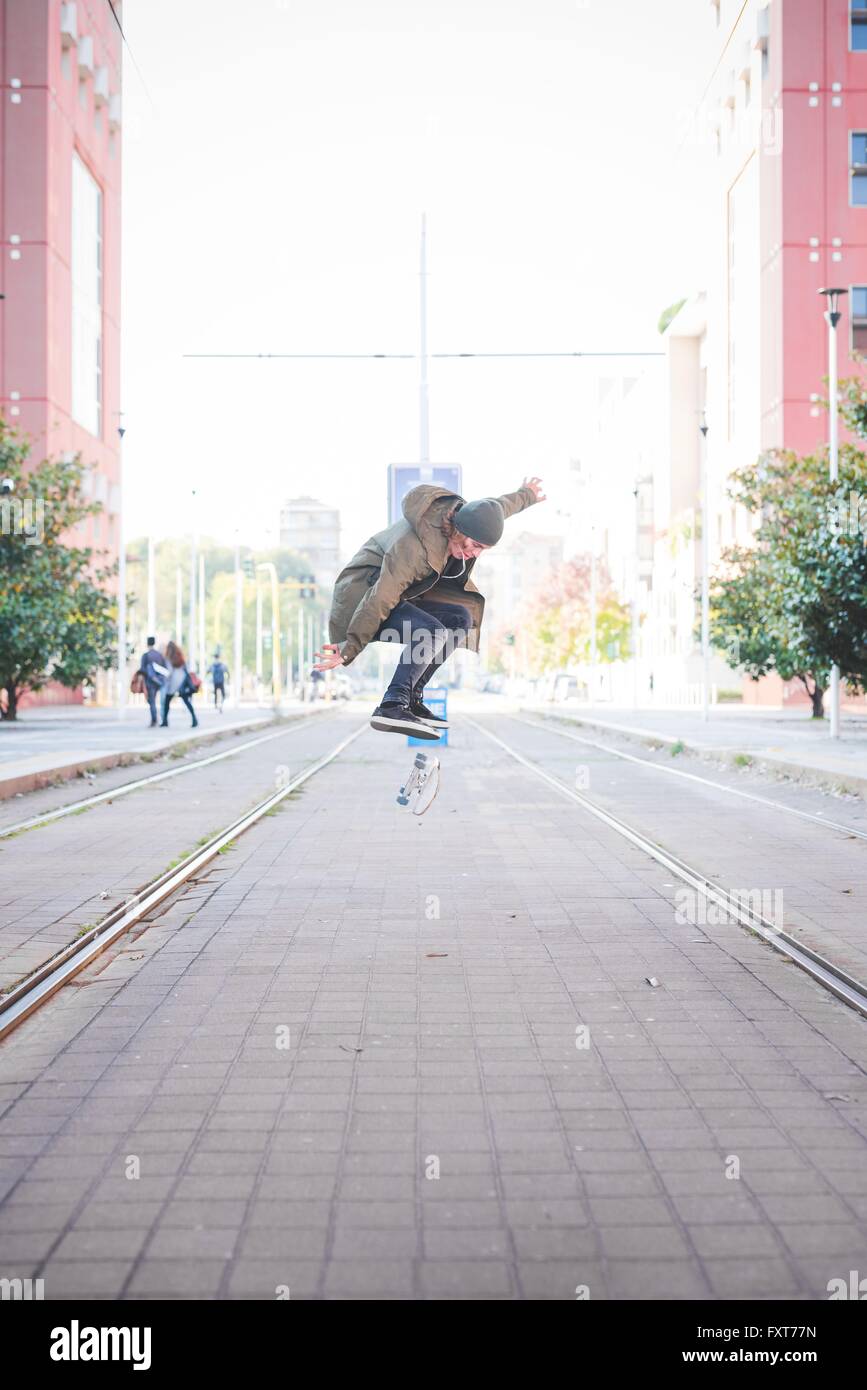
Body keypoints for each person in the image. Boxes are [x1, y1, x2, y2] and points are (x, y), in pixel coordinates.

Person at [314, 477, 545, 736]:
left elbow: (500, 507)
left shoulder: (470, 517)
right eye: (476, 546)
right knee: (432, 631)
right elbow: (380, 597)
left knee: (460, 619)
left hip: (399, 597)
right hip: (362, 596)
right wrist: (349, 647)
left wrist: (527, 494)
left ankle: (411, 698)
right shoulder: (414, 548)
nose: (475, 554)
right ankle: (392, 705)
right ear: (461, 530)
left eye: (484, 550)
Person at [160, 641, 198, 728]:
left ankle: (165, 721)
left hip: (174, 681)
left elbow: (169, 671)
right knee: (186, 701)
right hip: (182, 681)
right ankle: (194, 719)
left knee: (167, 701)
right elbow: (186, 669)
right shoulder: (180, 656)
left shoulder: (168, 658)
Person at [138, 636, 169, 728]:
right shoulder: (160, 655)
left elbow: (142, 669)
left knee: (152, 701)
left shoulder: (145, 655)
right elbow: (165, 668)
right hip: (160, 682)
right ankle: (164, 719)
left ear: (147, 644)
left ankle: (154, 720)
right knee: (162, 701)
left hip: (150, 682)